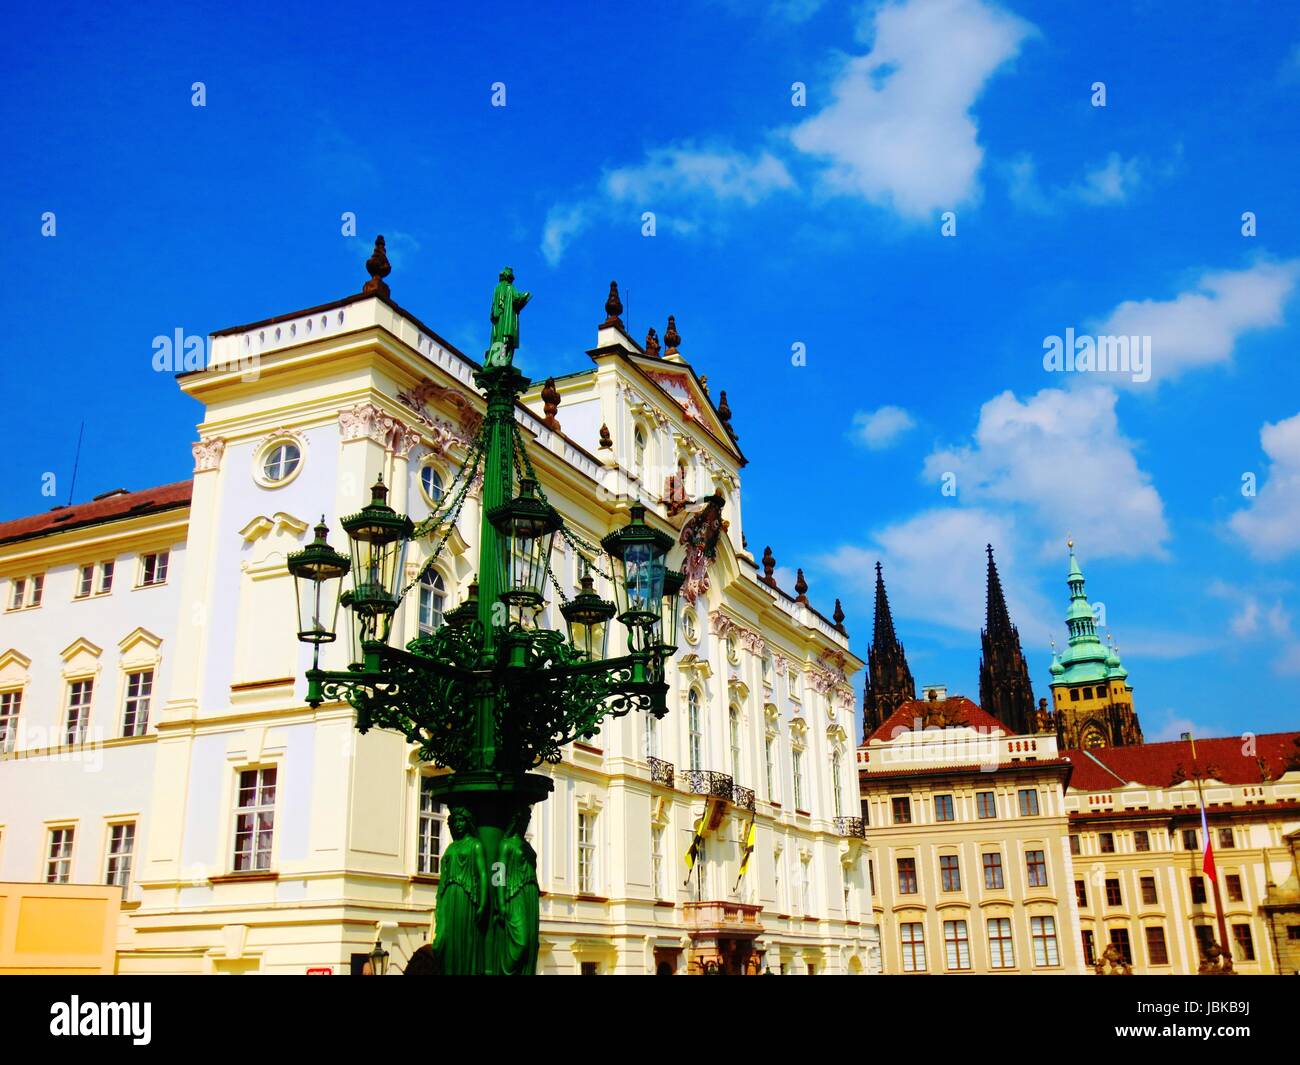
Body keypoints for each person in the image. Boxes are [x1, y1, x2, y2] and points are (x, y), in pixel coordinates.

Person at [432, 806, 488, 974]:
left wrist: (483, 902)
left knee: (465, 939)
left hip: (466, 897)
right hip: (449, 896)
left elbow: (483, 874)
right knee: (445, 940)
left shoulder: (475, 845)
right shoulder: (451, 848)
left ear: (468, 822)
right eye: (455, 821)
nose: (458, 824)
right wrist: (440, 902)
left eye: (461, 820)